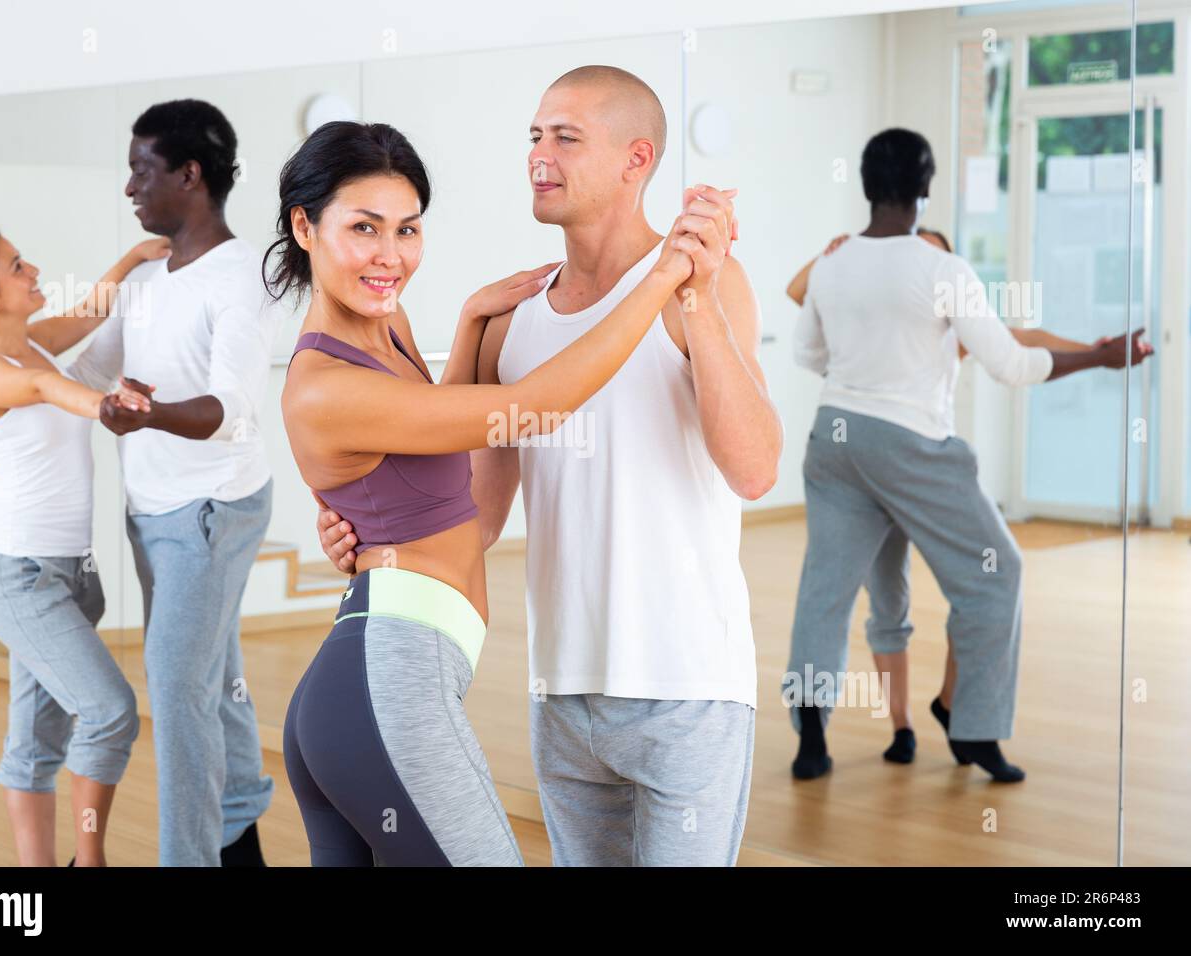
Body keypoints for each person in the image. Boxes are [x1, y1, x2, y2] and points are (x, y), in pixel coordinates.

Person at [318, 65, 782, 866]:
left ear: (637, 159)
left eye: (566, 137)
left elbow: (754, 470)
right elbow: (476, 512)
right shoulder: (515, 321)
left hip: (690, 689)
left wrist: (696, 295)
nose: (540, 153)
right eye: (535, 135)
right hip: (562, 693)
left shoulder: (703, 287)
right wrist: (374, 531)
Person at [784, 127, 1151, 783]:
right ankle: (968, 724)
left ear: (866, 187)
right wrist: (1099, 356)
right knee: (996, 572)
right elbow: (1009, 363)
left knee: (825, 591)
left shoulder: (831, 265)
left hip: (834, 440)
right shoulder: (941, 269)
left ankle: (811, 738)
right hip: (910, 443)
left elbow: (807, 355)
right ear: (926, 188)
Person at [0, 226, 165, 865]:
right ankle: (90, 859)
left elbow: (86, 313)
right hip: (20, 578)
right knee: (111, 712)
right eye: (16, 266)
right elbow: (49, 393)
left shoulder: (34, 347)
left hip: (72, 577)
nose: (34, 269)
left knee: (34, 741)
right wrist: (107, 402)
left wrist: (134, 255)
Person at [70, 99, 280, 865]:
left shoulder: (245, 276)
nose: (129, 187)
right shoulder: (150, 276)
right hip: (151, 509)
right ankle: (242, 837)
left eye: (142, 170)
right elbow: (87, 371)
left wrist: (150, 414)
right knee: (213, 677)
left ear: (190, 175)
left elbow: (229, 411)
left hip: (211, 510)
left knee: (178, 690)